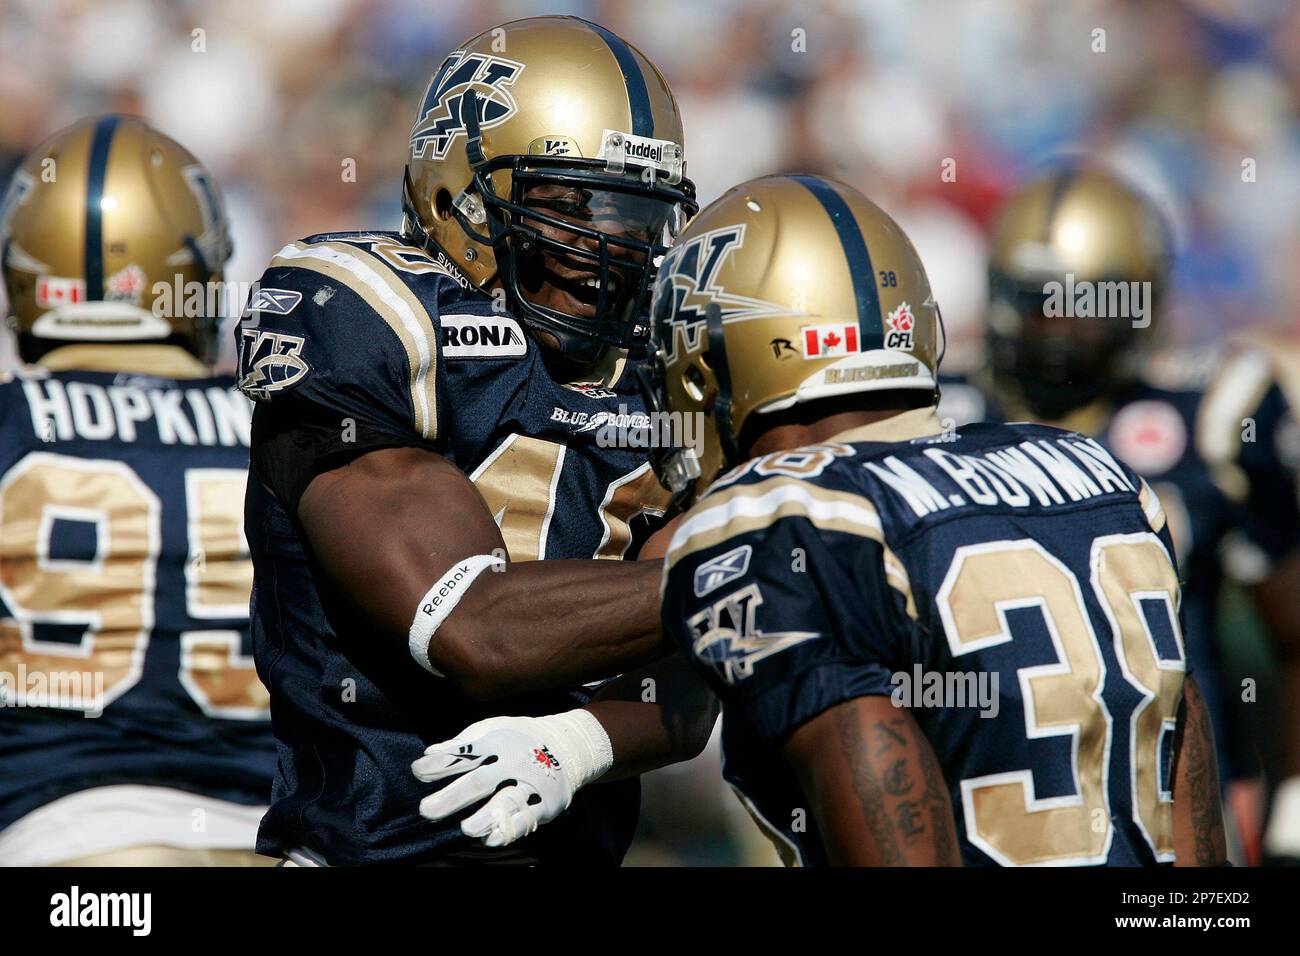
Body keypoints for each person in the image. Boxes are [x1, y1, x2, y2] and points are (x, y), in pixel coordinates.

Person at [238, 15, 715, 866]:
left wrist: (578, 744)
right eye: (569, 205)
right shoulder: (376, 319)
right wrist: (758, 559)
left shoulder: (667, 375)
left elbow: (689, 677)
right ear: (456, 190)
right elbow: (471, 630)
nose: (604, 249)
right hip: (368, 851)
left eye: (635, 216)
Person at [940, 164, 1298, 862]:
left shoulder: (1215, 410)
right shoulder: (934, 411)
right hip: (986, 797)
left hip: (1168, 799)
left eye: (1082, 303)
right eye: (1036, 300)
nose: (1054, 327)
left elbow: (1293, 629)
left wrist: (1291, 806)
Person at [0, 115, 275, 866]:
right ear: (198, 272)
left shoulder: (11, 424)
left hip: (71, 839)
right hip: (281, 838)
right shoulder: (286, 430)